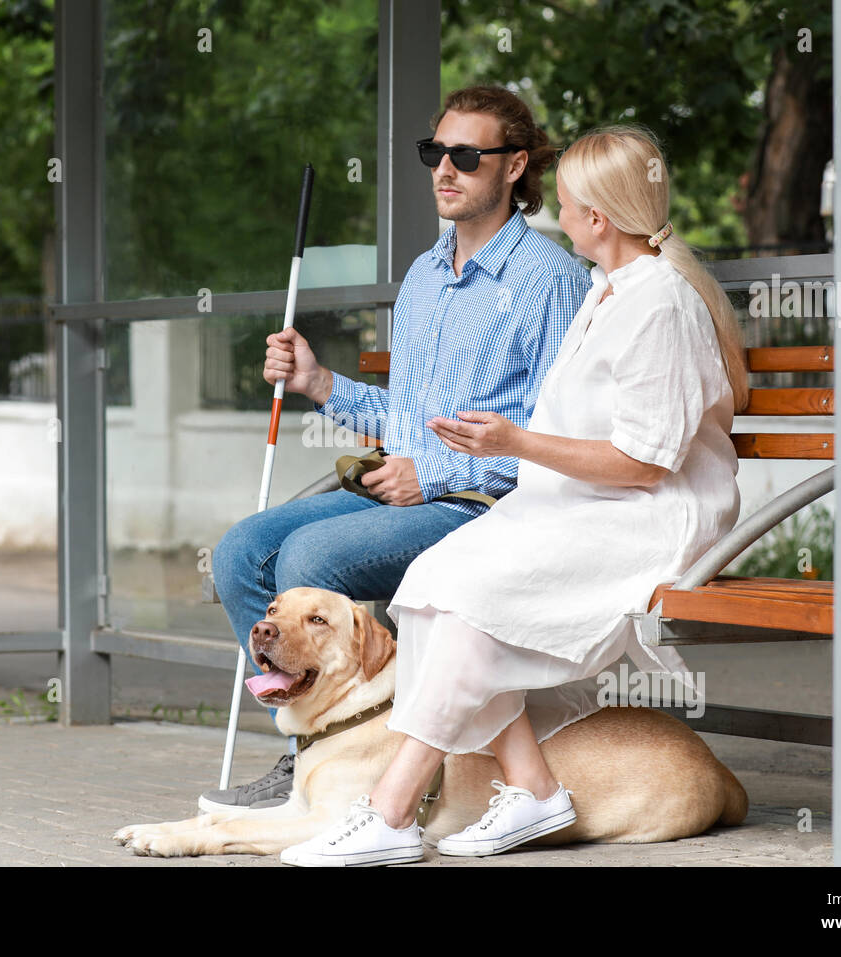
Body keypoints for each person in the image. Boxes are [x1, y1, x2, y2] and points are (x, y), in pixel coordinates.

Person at [280, 124, 750, 867]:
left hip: (648, 517)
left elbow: (643, 464)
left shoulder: (660, 303)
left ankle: (390, 810)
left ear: (597, 218)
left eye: (563, 205)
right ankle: (530, 789)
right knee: (435, 580)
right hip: (583, 503)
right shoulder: (612, 288)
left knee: (471, 598)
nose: (554, 217)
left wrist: (514, 443)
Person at [203, 86, 593, 815]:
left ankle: (359, 761)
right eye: (434, 152)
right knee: (239, 553)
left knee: (308, 562)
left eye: (466, 156)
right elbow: (407, 419)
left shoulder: (551, 282)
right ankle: (316, 746)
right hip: (404, 490)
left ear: (514, 168)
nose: (445, 169)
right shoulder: (424, 276)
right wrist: (321, 382)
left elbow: (559, 441)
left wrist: (436, 471)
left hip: (487, 505)